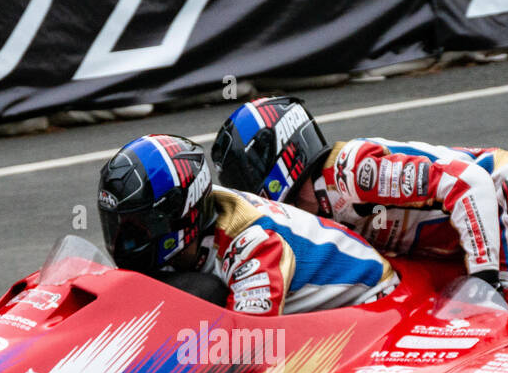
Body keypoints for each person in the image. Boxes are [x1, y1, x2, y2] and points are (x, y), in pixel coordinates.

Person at [212, 96, 508, 324]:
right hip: (492, 230)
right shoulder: (312, 218)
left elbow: (468, 184)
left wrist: (486, 281)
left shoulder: (350, 172)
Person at [97, 133, 398, 315]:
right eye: (117, 225)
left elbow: (251, 347)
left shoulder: (252, 245)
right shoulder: (192, 233)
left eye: (137, 227)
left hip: (369, 305)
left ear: (179, 215)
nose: (122, 240)